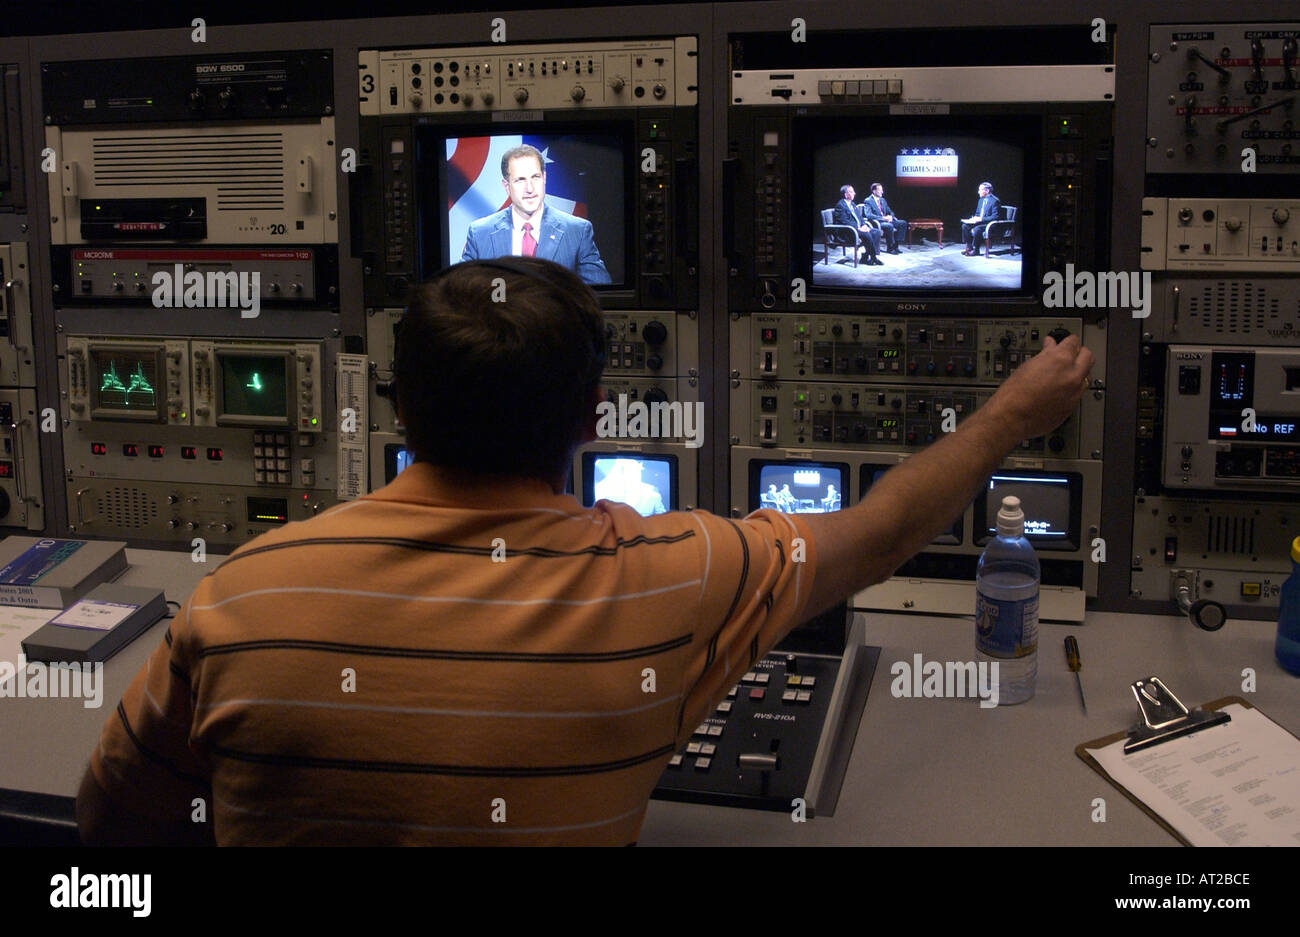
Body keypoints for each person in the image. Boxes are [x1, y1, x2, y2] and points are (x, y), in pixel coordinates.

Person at [76, 257, 1092, 846]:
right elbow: (876, 534)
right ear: (593, 418)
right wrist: (1009, 415)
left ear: (398, 407)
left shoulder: (241, 593)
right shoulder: (674, 579)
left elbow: (111, 824)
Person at [462, 144, 611, 285]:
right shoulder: (479, 233)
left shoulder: (577, 231)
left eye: (535, 177)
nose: (530, 188)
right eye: (520, 180)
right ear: (507, 186)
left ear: (544, 178)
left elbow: (600, 293)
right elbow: (461, 291)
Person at [593, 458, 666, 516]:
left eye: (634, 471)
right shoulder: (606, 495)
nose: (632, 475)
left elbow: (663, 519)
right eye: (627, 472)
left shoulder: (653, 496)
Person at [832, 184, 882, 265]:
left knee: (876, 232)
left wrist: (864, 225)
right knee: (867, 234)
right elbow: (844, 221)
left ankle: (865, 256)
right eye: (852, 192)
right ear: (846, 194)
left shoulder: (852, 204)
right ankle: (873, 258)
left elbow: (859, 217)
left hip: (856, 229)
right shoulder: (840, 205)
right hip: (847, 231)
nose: (854, 193)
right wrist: (858, 228)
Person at [862, 183, 907, 254]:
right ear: (874, 191)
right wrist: (883, 218)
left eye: (882, 190)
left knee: (902, 223)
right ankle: (890, 248)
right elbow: (869, 215)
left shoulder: (883, 200)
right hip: (877, 222)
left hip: (886, 220)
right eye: (880, 190)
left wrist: (891, 216)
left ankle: (896, 245)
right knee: (889, 226)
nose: (882, 192)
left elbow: (890, 211)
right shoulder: (868, 200)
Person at [961, 182, 1001, 256]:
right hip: (980, 222)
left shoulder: (995, 201)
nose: (978, 192)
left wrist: (981, 219)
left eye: (980, 190)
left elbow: (995, 217)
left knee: (977, 229)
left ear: (987, 191)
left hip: (989, 224)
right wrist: (973, 219)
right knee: (965, 226)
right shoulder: (981, 200)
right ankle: (969, 247)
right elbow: (977, 214)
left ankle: (976, 250)